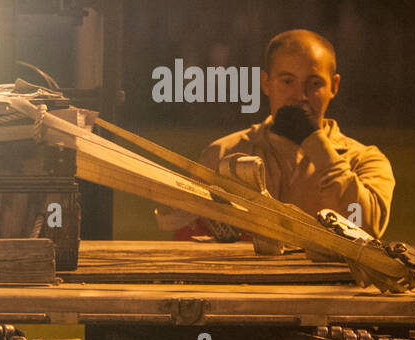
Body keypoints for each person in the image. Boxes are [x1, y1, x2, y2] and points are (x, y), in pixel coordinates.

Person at [163, 29, 395, 244]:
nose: (300, 96)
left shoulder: (365, 161)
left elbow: (365, 228)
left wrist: (316, 144)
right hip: (248, 287)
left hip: (328, 287)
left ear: (334, 86)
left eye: (314, 84)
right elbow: (187, 240)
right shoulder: (224, 154)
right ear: (266, 83)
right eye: (287, 81)